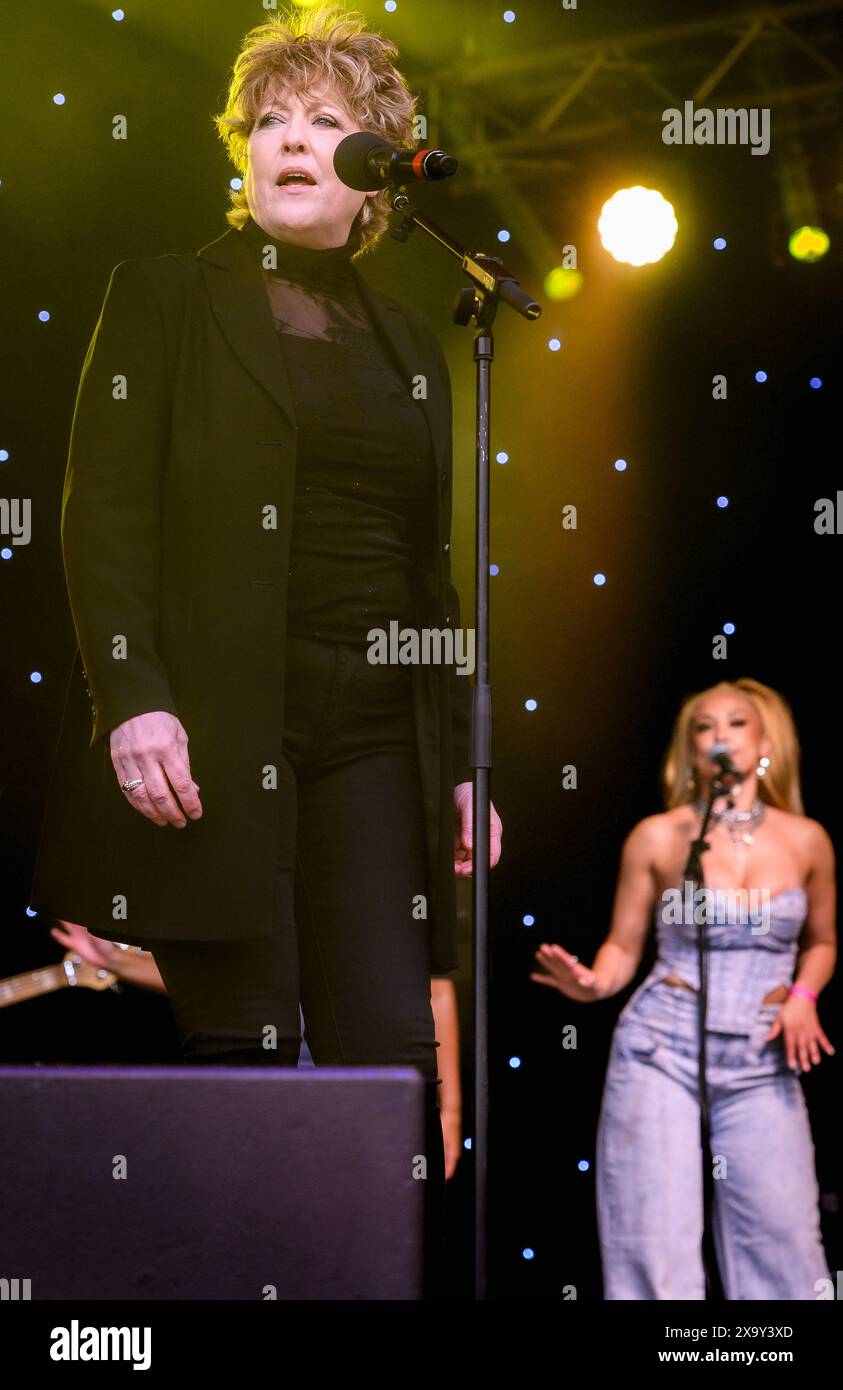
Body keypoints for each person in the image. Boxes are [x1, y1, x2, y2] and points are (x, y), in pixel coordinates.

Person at [29, 4, 501, 1296]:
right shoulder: (167, 294)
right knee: (239, 1041)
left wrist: (459, 754)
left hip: (370, 729)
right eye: (270, 122)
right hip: (224, 723)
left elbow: (428, 570)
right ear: (239, 155)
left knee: (393, 1057)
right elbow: (103, 510)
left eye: (328, 121)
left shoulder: (413, 338)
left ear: (377, 169)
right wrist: (134, 696)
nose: (292, 141)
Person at [531, 678, 835, 1300]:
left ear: (766, 741)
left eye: (737, 723)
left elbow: (823, 942)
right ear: (689, 748)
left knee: (785, 1245)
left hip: (761, 1052)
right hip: (660, 1043)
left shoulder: (806, 839)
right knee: (651, 1238)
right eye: (704, 726)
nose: (720, 735)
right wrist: (593, 984)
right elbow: (622, 946)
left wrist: (804, 997)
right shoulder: (659, 836)